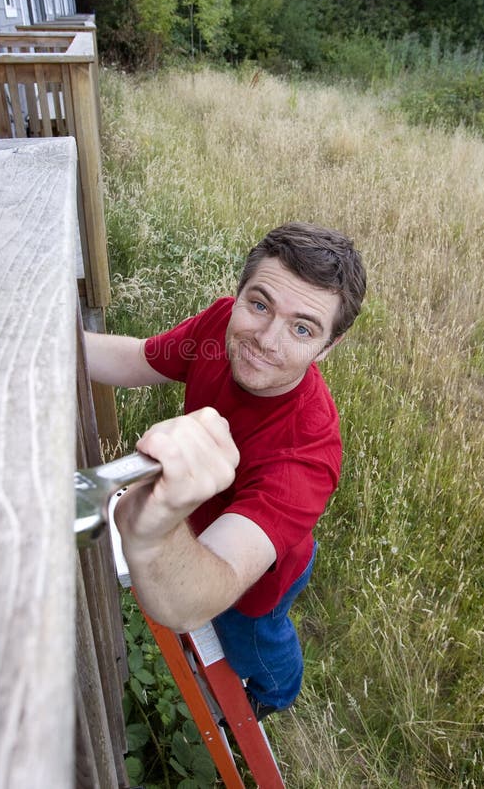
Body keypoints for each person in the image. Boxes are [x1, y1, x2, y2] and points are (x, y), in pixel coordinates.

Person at [86, 222, 366, 719]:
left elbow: (190, 603)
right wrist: (56, 341)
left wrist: (152, 530)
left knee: (251, 639)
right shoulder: (219, 328)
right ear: (238, 295)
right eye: (259, 305)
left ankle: (274, 693)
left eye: (302, 328)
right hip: (205, 533)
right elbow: (136, 358)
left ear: (327, 348)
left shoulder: (306, 451)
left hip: (260, 576)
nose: (266, 340)